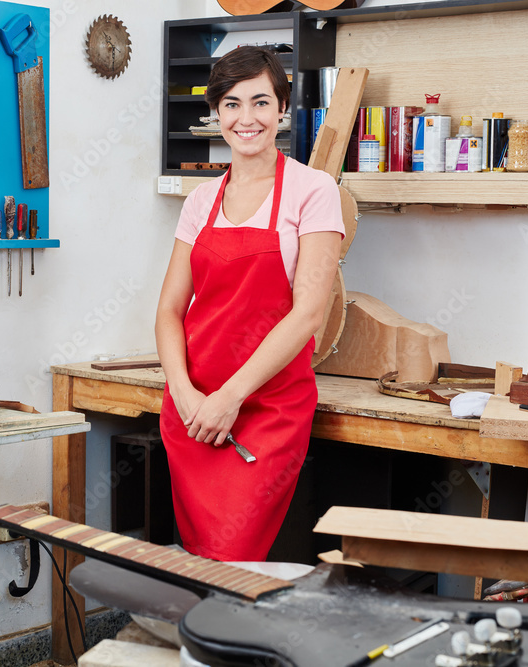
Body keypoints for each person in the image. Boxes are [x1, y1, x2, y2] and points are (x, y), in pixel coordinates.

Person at [155, 46, 346, 562]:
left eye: (261, 102)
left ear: (282, 108)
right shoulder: (201, 200)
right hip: (194, 411)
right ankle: (202, 646)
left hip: (265, 409)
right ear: (216, 114)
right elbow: (170, 310)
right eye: (232, 104)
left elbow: (308, 313)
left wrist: (230, 397)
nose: (247, 118)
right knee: (198, 567)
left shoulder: (313, 190)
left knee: (235, 560)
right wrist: (186, 392)